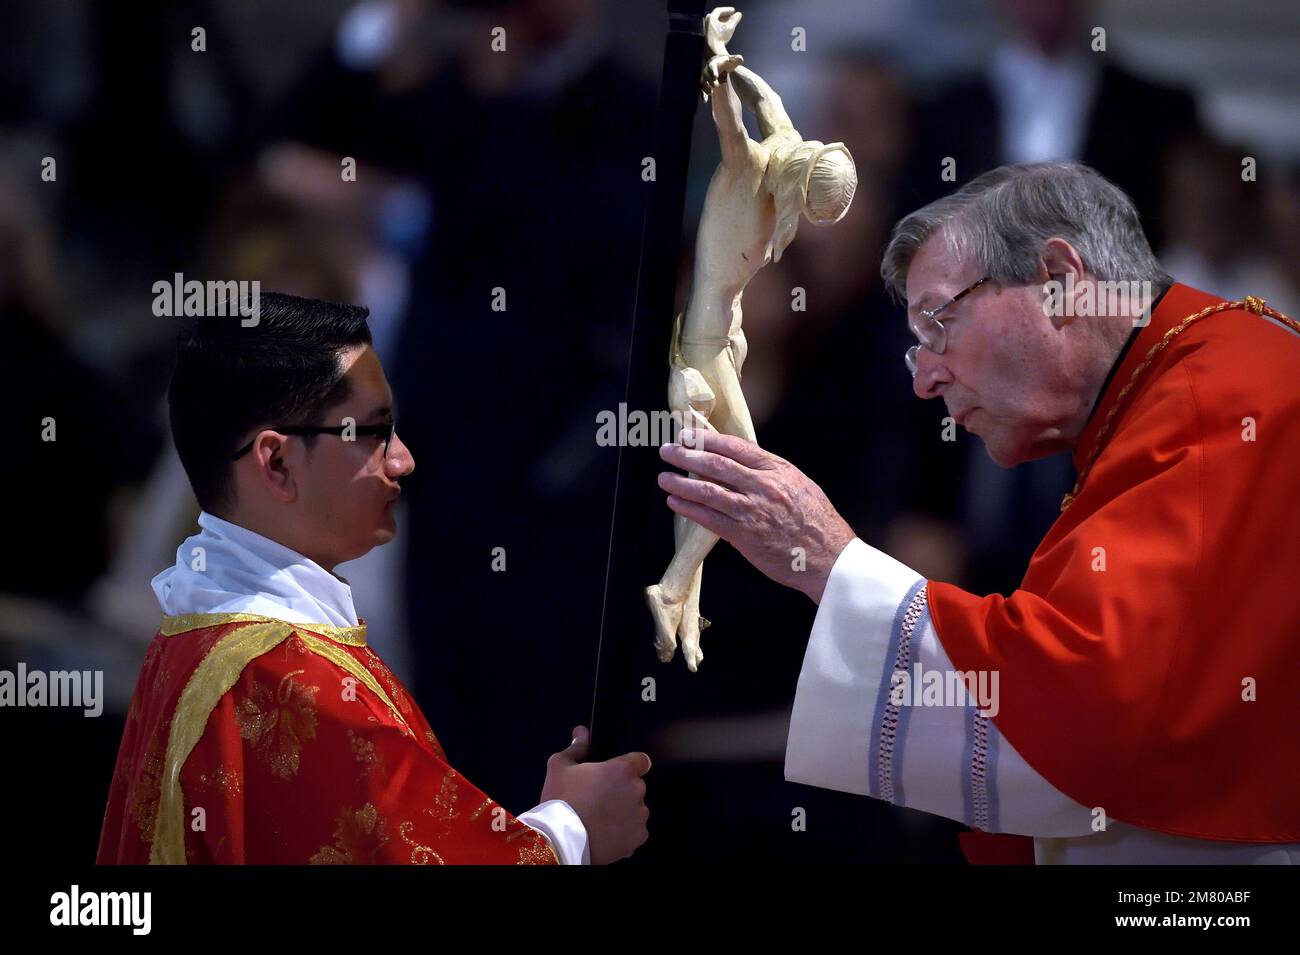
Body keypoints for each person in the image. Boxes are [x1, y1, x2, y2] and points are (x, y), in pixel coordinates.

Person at [654, 162, 1300, 863]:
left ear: (1058, 280)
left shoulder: (1222, 395)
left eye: (939, 323)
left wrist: (833, 563)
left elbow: (1092, 700)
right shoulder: (1164, 392)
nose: (926, 379)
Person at [97, 293, 650, 864]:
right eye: (373, 431)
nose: (403, 460)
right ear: (277, 462)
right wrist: (572, 832)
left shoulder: (190, 638)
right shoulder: (291, 679)